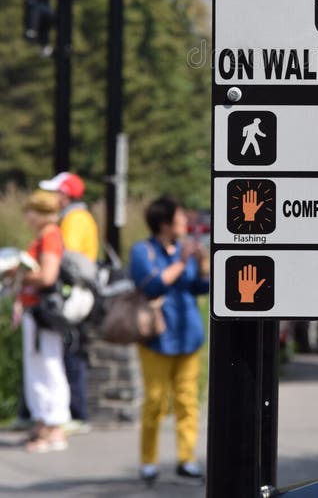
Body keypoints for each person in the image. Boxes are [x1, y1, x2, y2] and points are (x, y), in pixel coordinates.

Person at [130, 196, 210, 483]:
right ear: (165, 224)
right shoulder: (143, 251)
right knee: (154, 402)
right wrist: (182, 261)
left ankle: (186, 459)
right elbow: (151, 286)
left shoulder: (185, 250)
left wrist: (202, 265)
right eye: (180, 219)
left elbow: (202, 287)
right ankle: (148, 461)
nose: (186, 224)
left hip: (189, 335)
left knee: (187, 400)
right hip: (157, 339)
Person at [38, 171, 98, 434]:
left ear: (65, 194)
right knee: (73, 350)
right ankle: (75, 412)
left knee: (72, 350)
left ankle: (77, 413)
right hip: (79, 291)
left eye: (55, 192)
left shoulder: (73, 218)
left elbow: (68, 257)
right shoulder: (78, 216)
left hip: (75, 292)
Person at [13, 190, 70, 452]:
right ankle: (41, 422)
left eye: (31, 211)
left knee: (48, 365)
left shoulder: (49, 237)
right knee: (38, 365)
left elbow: (47, 276)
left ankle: (54, 426)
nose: (27, 217)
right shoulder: (45, 236)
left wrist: (19, 274)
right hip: (34, 310)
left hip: (44, 312)